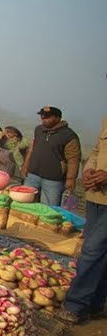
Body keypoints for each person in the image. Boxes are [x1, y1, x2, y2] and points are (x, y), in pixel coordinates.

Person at [56, 112, 107, 324]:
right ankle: (95, 304)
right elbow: (97, 150)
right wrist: (89, 170)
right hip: (97, 194)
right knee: (99, 251)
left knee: (92, 250)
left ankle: (74, 305)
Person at [21, 106, 81, 208]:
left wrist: (71, 179)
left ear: (58, 118)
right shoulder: (38, 130)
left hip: (53, 179)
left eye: (48, 117)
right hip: (33, 175)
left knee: (48, 209)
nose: (44, 119)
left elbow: (73, 159)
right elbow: (32, 149)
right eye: (42, 116)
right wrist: (25, 166)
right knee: (25, 204)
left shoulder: (69, 135)